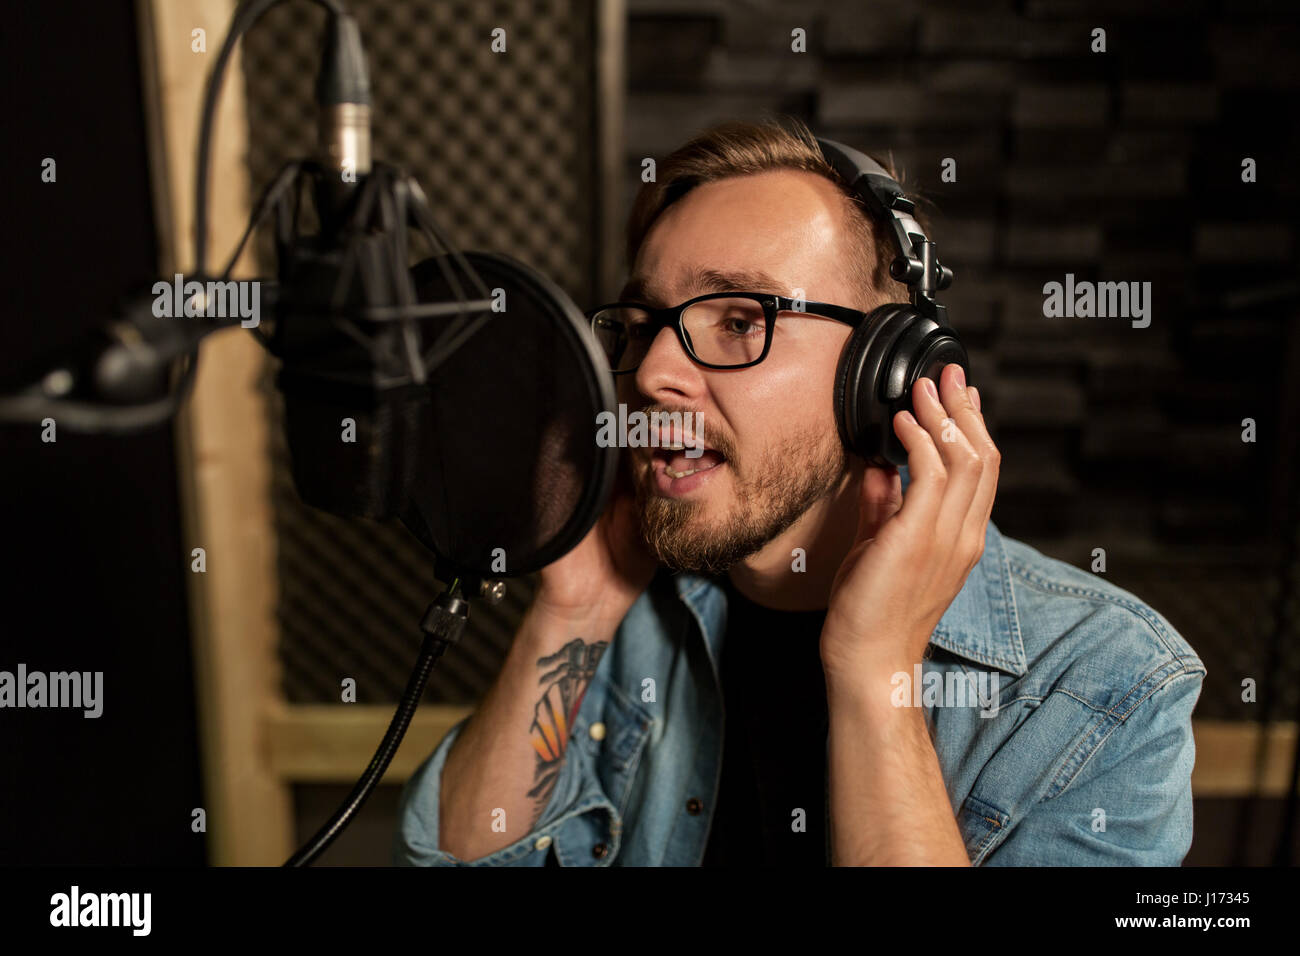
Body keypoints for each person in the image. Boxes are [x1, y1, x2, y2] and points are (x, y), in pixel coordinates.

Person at [393, 116, 1205, 866]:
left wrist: (876, 668)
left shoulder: (1107, 684)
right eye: (642, 326)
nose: (653, 374)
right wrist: (572, 609)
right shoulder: (623, 613)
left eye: (740, 320)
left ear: (885, 374)